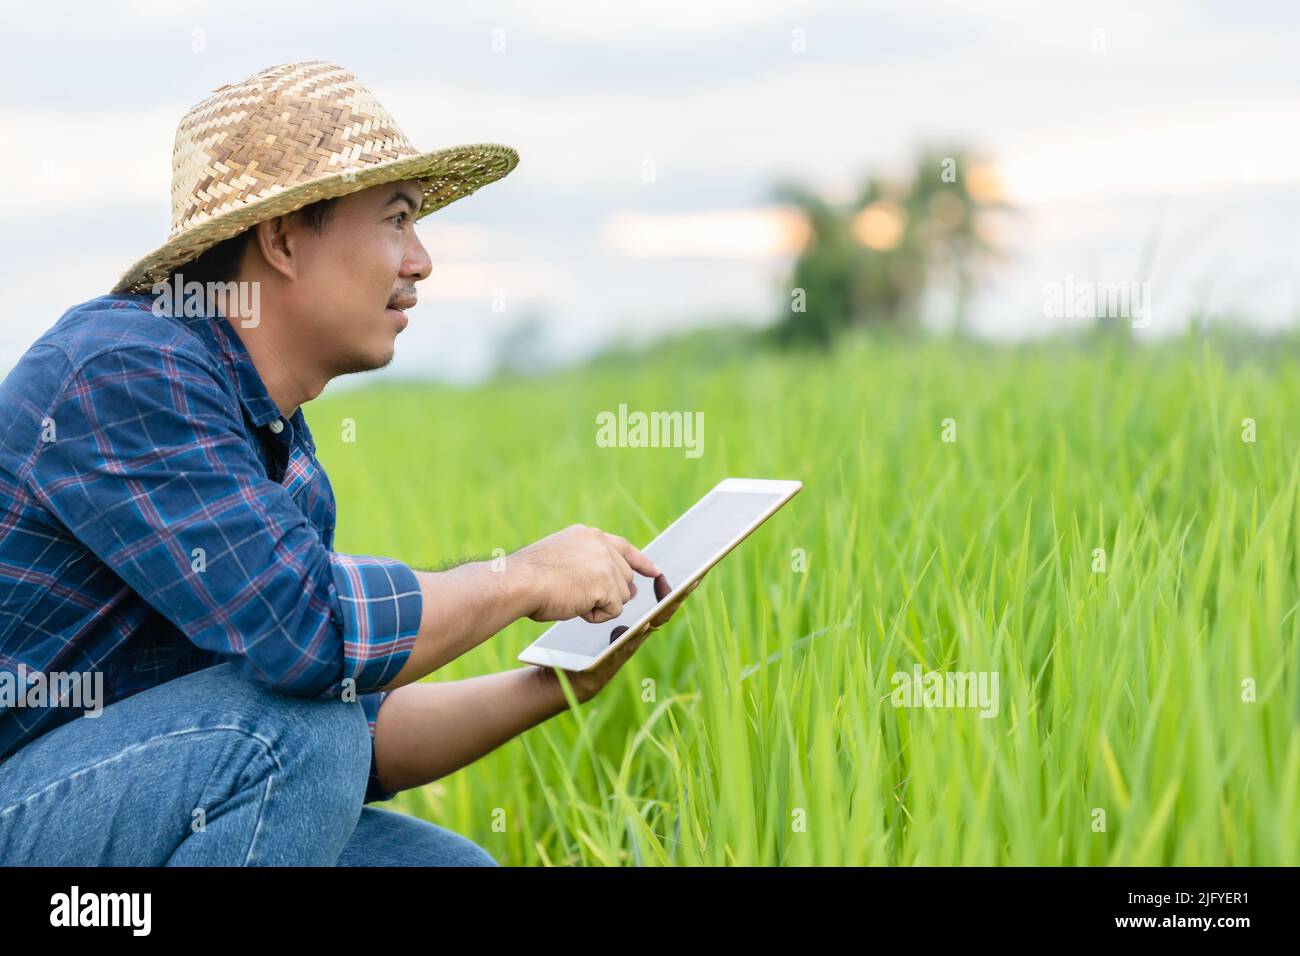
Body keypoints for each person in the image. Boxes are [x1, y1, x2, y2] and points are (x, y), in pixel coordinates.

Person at [0, 60, 701, 866]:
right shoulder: (125, 370)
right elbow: (313, 646)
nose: (422, 261)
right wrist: (526, 576)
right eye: (398, 219)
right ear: (285, 237)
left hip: (94, 804)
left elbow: (353, 729)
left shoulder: (274, 444)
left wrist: (560, 683)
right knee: (292, 734)